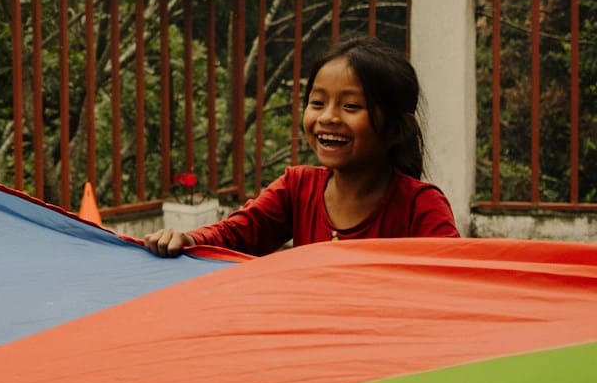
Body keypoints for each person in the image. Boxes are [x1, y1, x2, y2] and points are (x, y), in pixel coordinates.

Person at [139, 36, 460, 256]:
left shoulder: (422, 207)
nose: (328, 117)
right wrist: (189, 239)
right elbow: (236, 235)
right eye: (317, 102)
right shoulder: (297, 187)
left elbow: (455, 280)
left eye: (351, 107)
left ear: (396, 129)